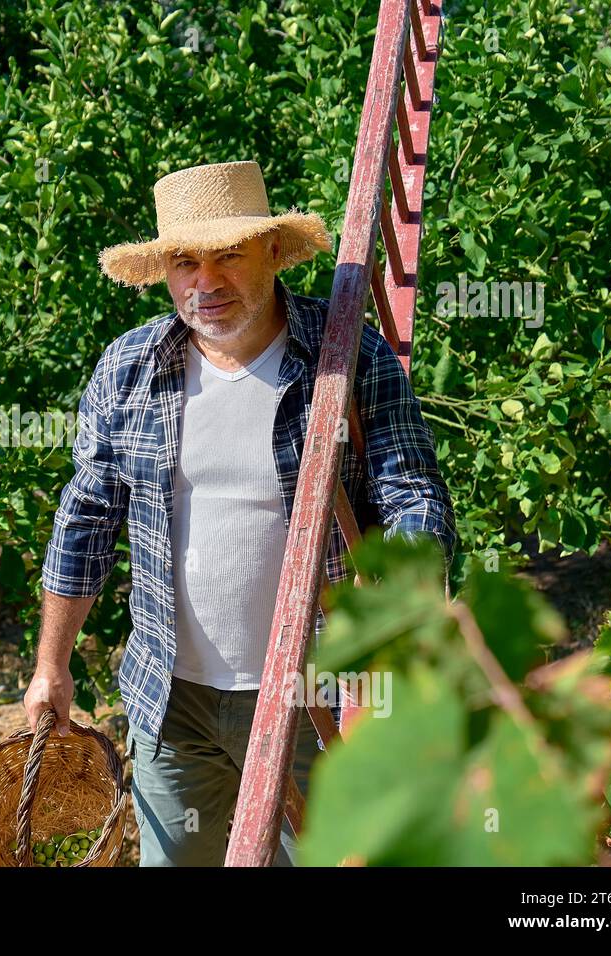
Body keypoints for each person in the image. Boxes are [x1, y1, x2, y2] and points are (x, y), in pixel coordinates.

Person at [23, 160, 457, 866]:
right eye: (185, 261)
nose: (206, 281)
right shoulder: (129, 369)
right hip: (174, 696)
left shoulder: (345, 359)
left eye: (229, 255)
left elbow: (411, 493)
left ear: (275, 253)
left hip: (314, 691)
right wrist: (52, 666)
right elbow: (86, 521)